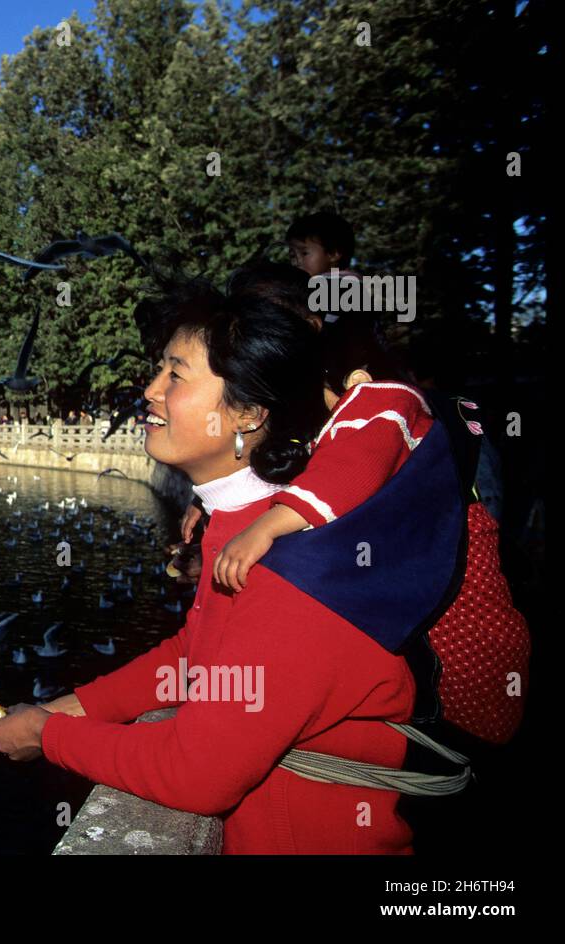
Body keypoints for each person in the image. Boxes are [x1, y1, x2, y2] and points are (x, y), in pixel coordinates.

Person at [0, 278, 419, 854]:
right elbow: (198, 654)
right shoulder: (242, 525)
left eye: (175, 375)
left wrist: (47, 734)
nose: (149, 390)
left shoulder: (294, 556)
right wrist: (66, 707)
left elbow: (197, 774)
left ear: (245, 413)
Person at [211, 316, 530, 746]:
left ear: (354, 379)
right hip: (468, 617)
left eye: (317, 394)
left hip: (463, 623)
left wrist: (266, 526)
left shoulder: (380, 401)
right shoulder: (412, 412)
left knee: (461, 700)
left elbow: (348, 472)